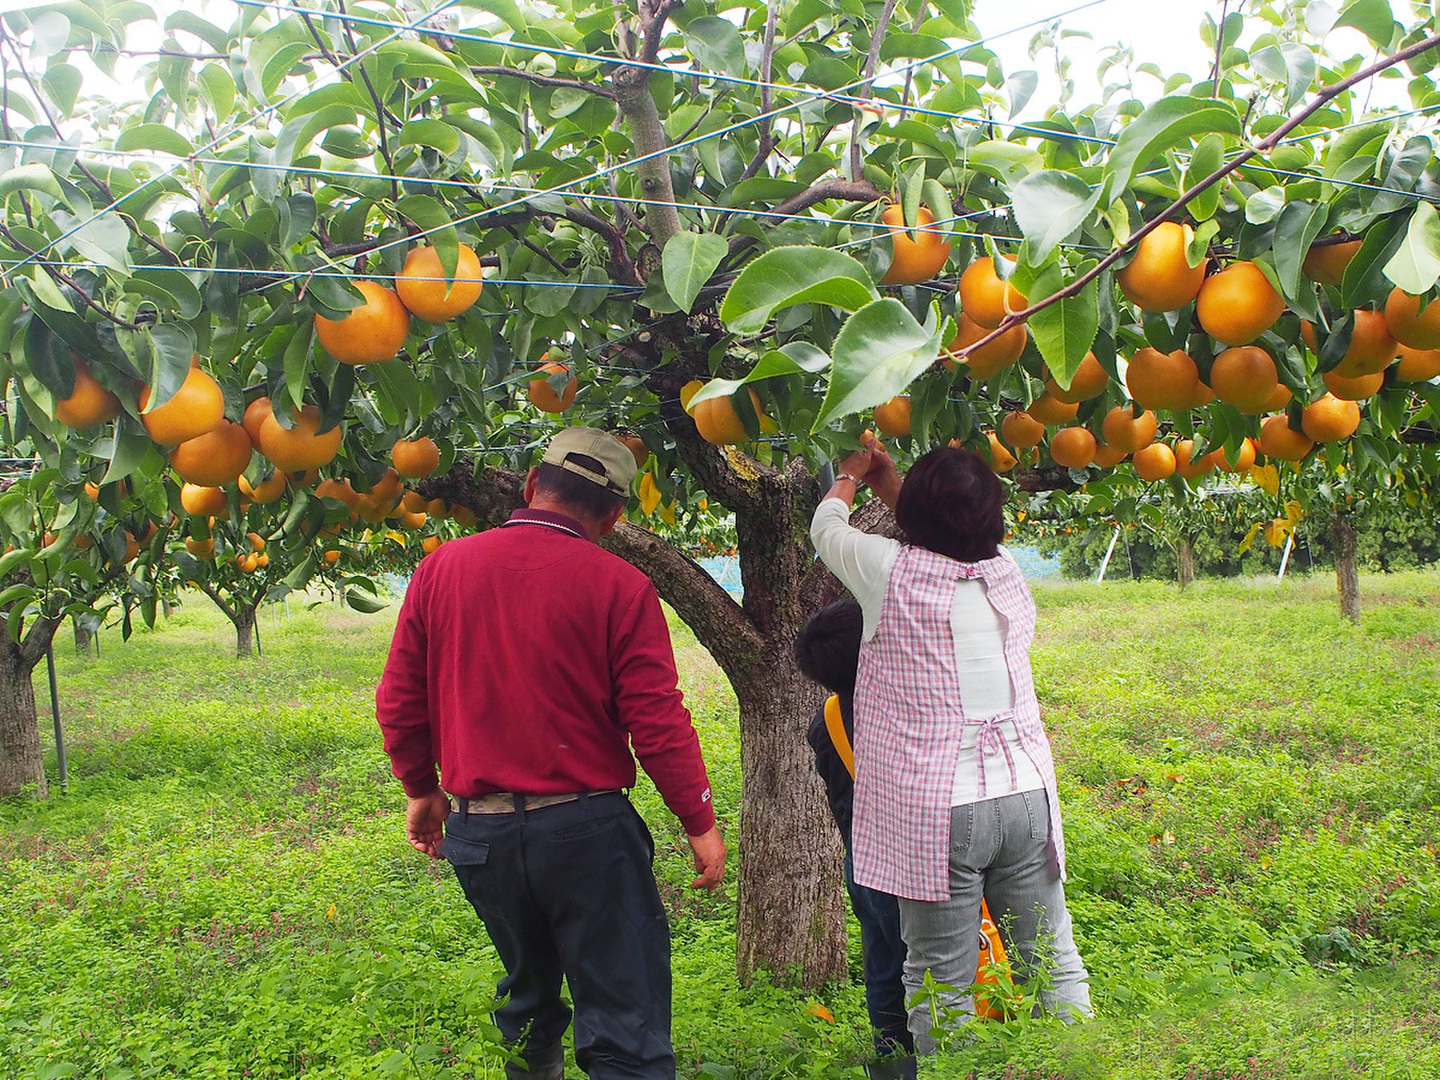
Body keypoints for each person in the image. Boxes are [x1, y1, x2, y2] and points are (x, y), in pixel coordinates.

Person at [376, 426, 727, 1080]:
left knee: (529, 1005)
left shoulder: (441, 568)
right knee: (625, 1021)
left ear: (532, 484)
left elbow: (399, 697)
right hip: (587, 832)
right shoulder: (620, 585)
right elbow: (656, 720)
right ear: (616, 515)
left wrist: (422, 789)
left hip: (481, 836)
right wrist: (698, 821)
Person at [810, 439, 1091, 1052]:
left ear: (911, 516)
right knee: (1050, 960)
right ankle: (1077, 1064)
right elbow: (948, 527)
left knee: (940, 982)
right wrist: (897, 482)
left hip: (940, 810)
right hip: (1025, 795)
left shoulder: (888, 572)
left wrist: (856, 473)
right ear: (994, 513)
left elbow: (825, 526)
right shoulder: (1006, 573)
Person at [795, 599, 916, 1080]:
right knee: (928, 972)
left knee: (884, 971)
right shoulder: (904, 709)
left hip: (861, 861)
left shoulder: (826, 719)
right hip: (908, 862)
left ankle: (892, 1066)